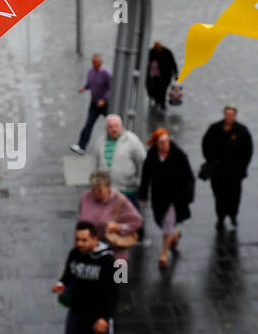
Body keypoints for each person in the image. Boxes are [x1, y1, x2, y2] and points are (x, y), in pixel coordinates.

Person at [51, 221, 117, 334]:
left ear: (95, 239)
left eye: (84, 240)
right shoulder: (74, 254)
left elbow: (113, 293)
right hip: (77, 314)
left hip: (98, 317)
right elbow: (68, 276)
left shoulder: (108, 261)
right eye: (77, 239)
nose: (79, 243)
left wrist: (105, 317)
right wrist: (61, 284)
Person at [139, 128, 194, 269]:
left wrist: (187, 196)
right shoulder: (151, 155)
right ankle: (174, 235)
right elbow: (146, 176)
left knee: (168, 223)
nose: (165, 144)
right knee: (160, 221)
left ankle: (163, 254)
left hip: (175, 197)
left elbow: (189, 177)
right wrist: (143, 195)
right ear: (156, 143)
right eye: (161, 142)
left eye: (166, 141)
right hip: (158, 196)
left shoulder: (179, 155)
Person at [200, 104, 254, 231]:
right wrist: (210, 160)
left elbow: (248, 150)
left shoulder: (241, 130)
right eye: (227, 114)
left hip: (235, 172)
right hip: (217, 171)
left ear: (235, 115)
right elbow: (205, 144)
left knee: (234, 195)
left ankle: (233, 215)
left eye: (231, 114)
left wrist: (243, 167)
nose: (229, 117)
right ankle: (220, 217)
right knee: (219, 195)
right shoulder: (214, 128)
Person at [77, 171, 143, 262]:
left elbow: (137, 221)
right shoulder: (86, 197)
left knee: (118, 276)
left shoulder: (119, 200)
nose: (95, 193)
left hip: (115, 253)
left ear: (108, 188)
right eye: (93, 189)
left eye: (99, 190)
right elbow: (80, 224)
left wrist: (119, 227)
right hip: (89, 253)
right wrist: (77, 248)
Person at [92, 115, 145, 213]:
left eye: (116, 126)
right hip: (107, 191)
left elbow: (142, 161)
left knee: (131, 219)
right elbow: (95, 163)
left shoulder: (131, 140)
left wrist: (139, 181)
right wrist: (95, 184)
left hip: (128, 191)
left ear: (122, 126)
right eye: (111, 127)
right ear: (106, 128)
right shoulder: (100, 142)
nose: (114, 129)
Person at [70, 53, 111, 155]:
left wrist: (104, 99)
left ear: (100, 63)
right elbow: (89, 84)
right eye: (93, 62)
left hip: (105, 105)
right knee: (88, 124)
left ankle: (114, 145)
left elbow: (111, 88)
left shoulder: (106, 73)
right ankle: (81, 146)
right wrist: (84, 88)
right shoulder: (91, 72)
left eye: (96, 62)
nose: (94, 64)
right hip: (94, 104)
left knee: (111, 124)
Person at [145, 41, 178, 112]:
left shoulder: (167, 52)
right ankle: (157, 102)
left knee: (163, 90)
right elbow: (145, 63)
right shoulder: (151, 52)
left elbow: (173, 64)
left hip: (165, 76)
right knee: (154, 89)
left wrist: (176, 74)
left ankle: (162, 104)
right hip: (154, 76)